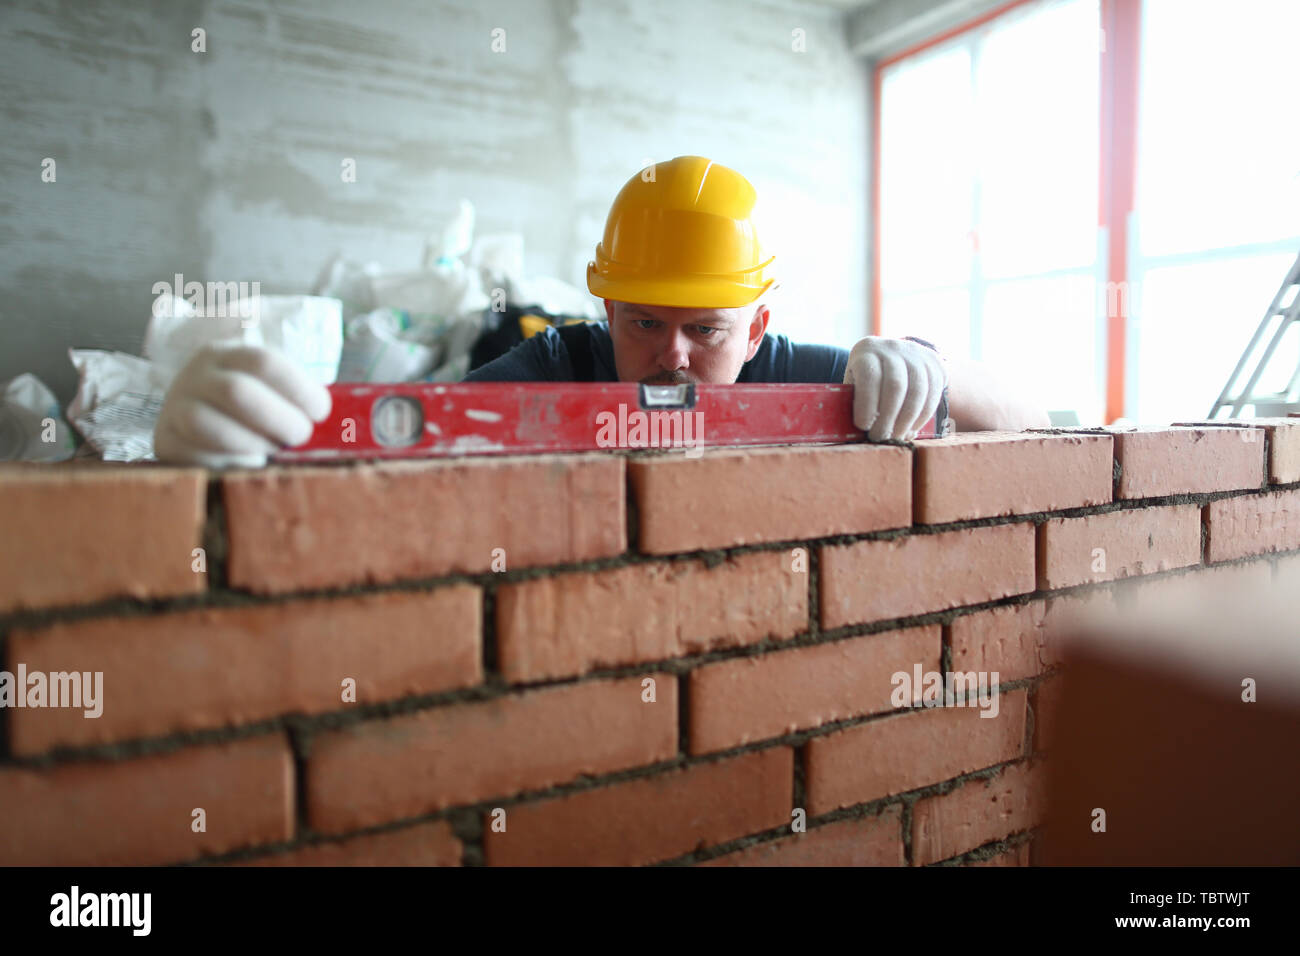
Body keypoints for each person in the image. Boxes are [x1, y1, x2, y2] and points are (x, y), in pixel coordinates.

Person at [154, 156, 1048, 467]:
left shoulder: (801, 373)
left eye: (708, 331)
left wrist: (928, 365)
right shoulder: (555, 366)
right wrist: (235, 432)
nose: (674, 357)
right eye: (644, 323)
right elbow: (416, 449)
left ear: (758, 328)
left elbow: (1038, 426)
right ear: (605, 308)